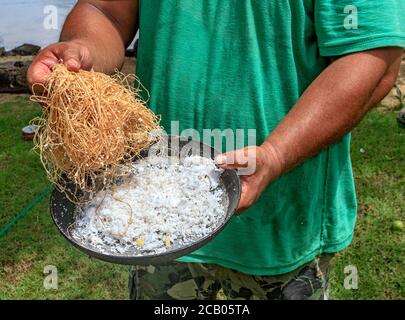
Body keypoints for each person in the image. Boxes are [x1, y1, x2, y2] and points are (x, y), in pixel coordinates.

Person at [27, 0, 405, 300]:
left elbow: (373, 56)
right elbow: (104, 10)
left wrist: (275, 155)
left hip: (282, 224)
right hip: (153, 214)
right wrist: (82, 50)